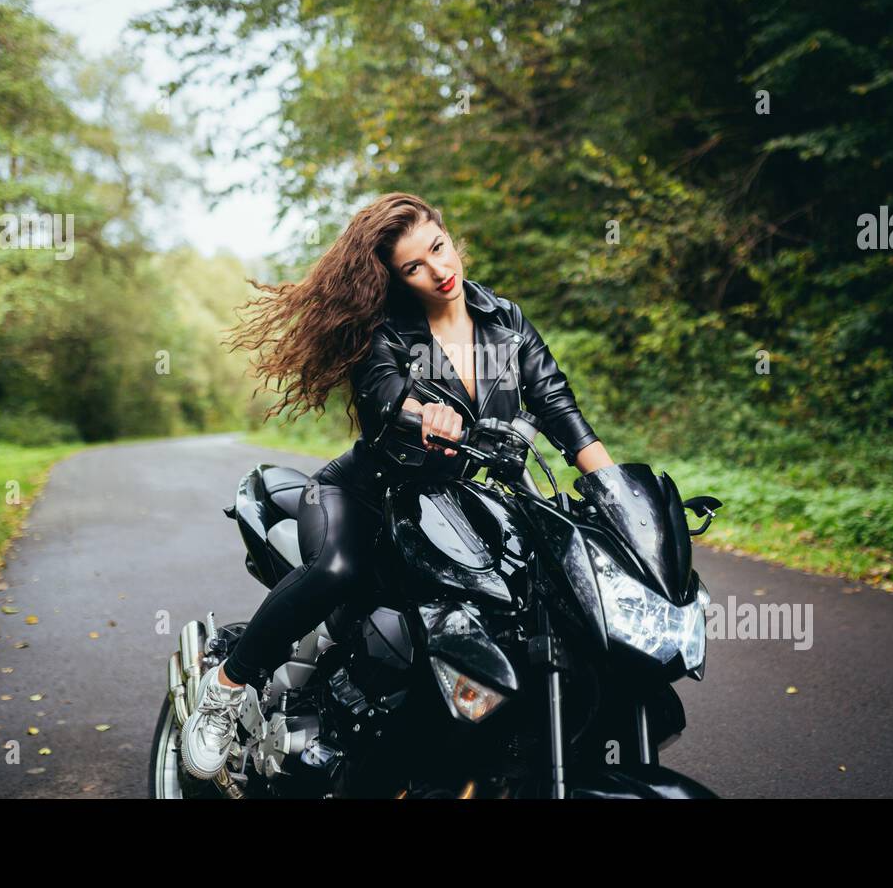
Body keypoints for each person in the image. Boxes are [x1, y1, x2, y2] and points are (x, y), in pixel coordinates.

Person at [181, 192, 615, 779]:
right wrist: (421, 412)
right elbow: (381, 398)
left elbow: (560, 409)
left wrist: (614, 494)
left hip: (452, 508)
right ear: (395, 276)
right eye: (414, 266)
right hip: (363, 495)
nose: (438, 271)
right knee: (338, 571)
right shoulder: (387, 331)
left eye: (437, 248)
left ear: (448, 235)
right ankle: (226, 686)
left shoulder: (505, 322)